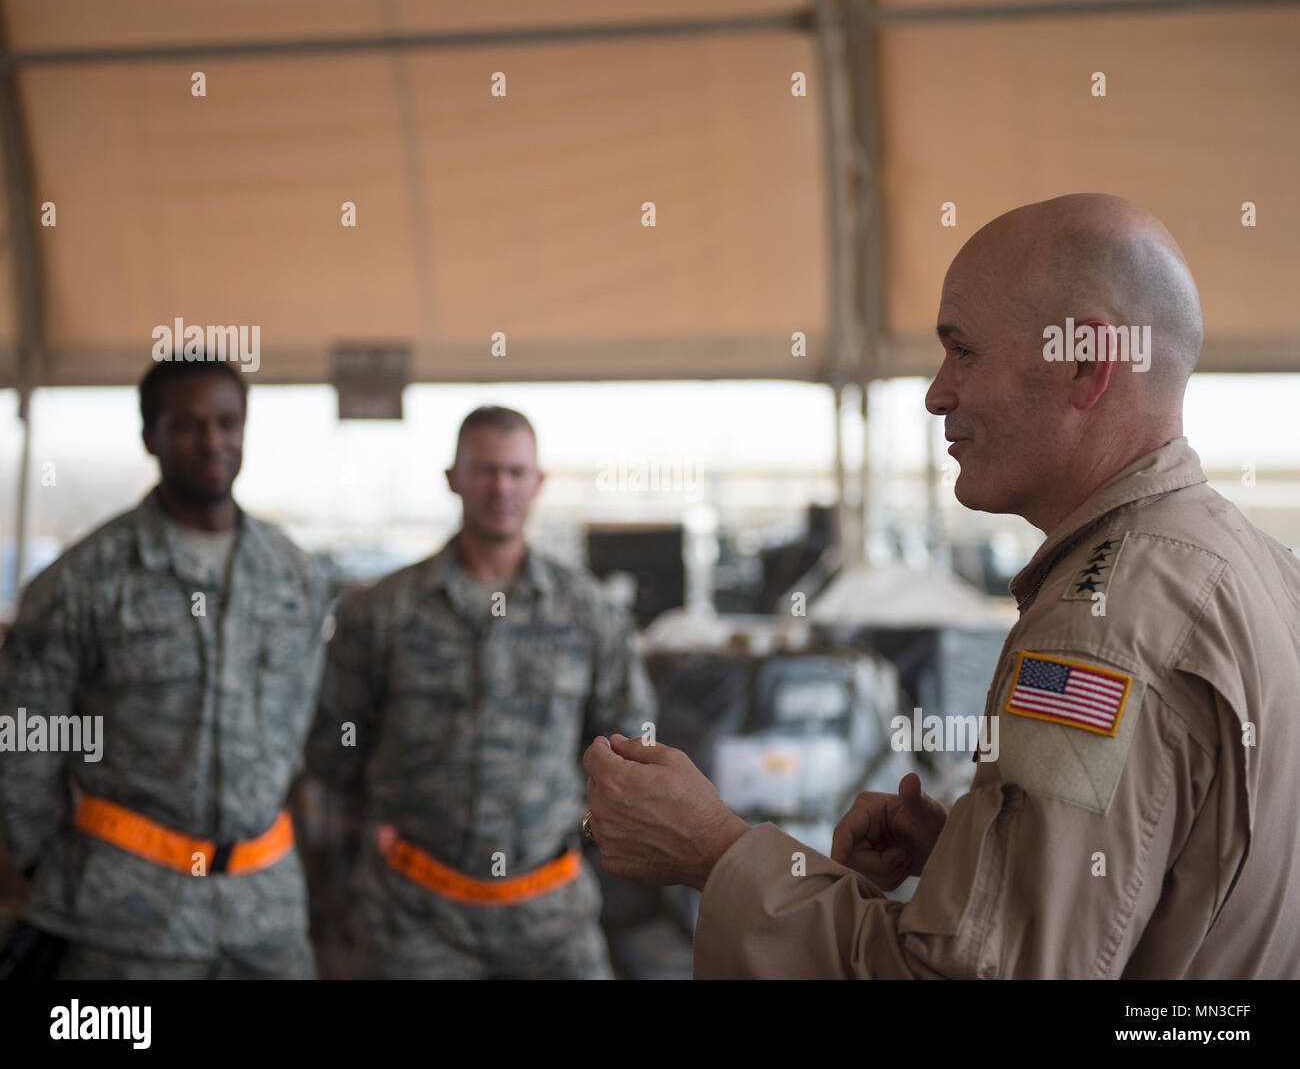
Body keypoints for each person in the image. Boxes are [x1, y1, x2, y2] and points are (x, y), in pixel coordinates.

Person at [582, 193, 1300, 979]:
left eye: (964, 351)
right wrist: (977, 854)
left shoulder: (1101, 626)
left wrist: (715, 852)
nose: (936, 392)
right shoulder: (1257, 570)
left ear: (1087, 363)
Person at [0, 358, 329, 979]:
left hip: (268, 923)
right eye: (188, 424)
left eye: (228, 422)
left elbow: (303, 730)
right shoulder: (83, 581)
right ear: (149, 435)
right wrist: (61, 870)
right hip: (124, 925)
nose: (212, 441)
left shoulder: (295, 577)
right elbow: (23, 739)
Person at [309, 405, 656, 979]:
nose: (501, 487)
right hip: (412, 915)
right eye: (485, 470)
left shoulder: (588, 612)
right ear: (454, 478)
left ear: (538, 482)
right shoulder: (383, 611)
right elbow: (332, 743)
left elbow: (630, 746)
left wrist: (584, 831)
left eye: (516, 472)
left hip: (549, 913)